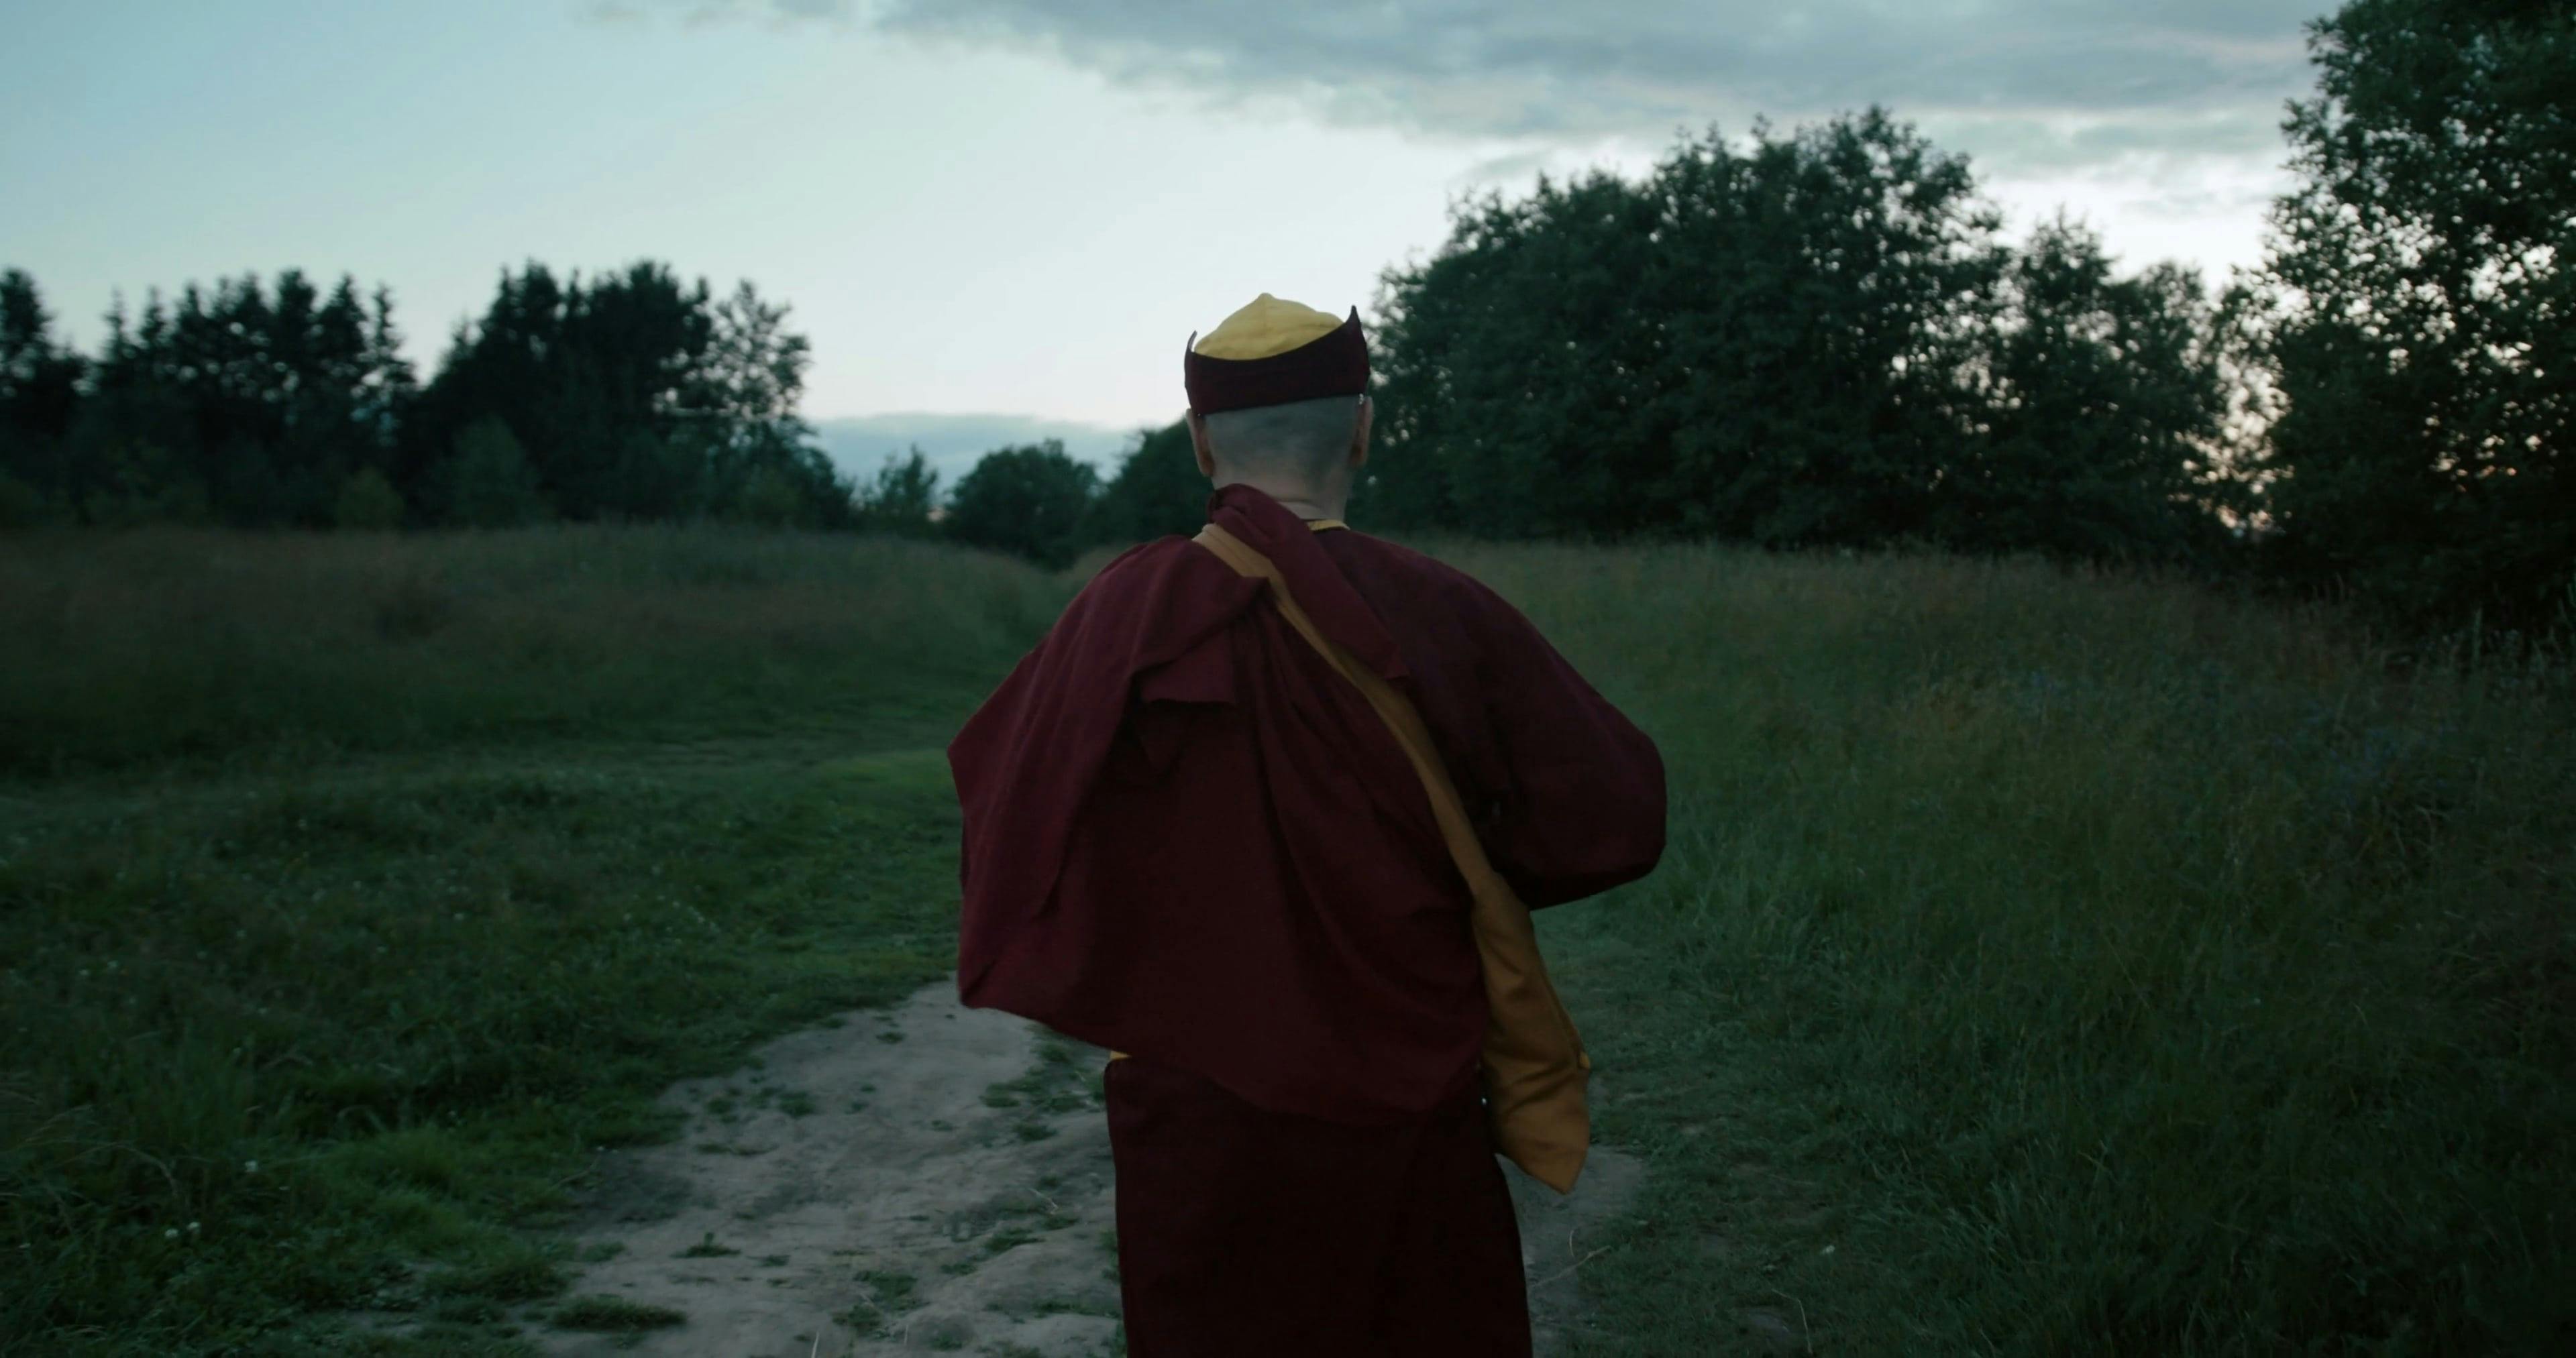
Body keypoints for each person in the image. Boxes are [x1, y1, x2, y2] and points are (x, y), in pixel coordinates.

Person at [947, 292, 1666, 1356]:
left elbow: (1011, 815)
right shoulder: (1444, 610)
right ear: (1363, 429)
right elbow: (1614, 814)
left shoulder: (1119, 616)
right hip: (1412, 1100)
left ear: (1202, 442)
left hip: (1199, 1115)